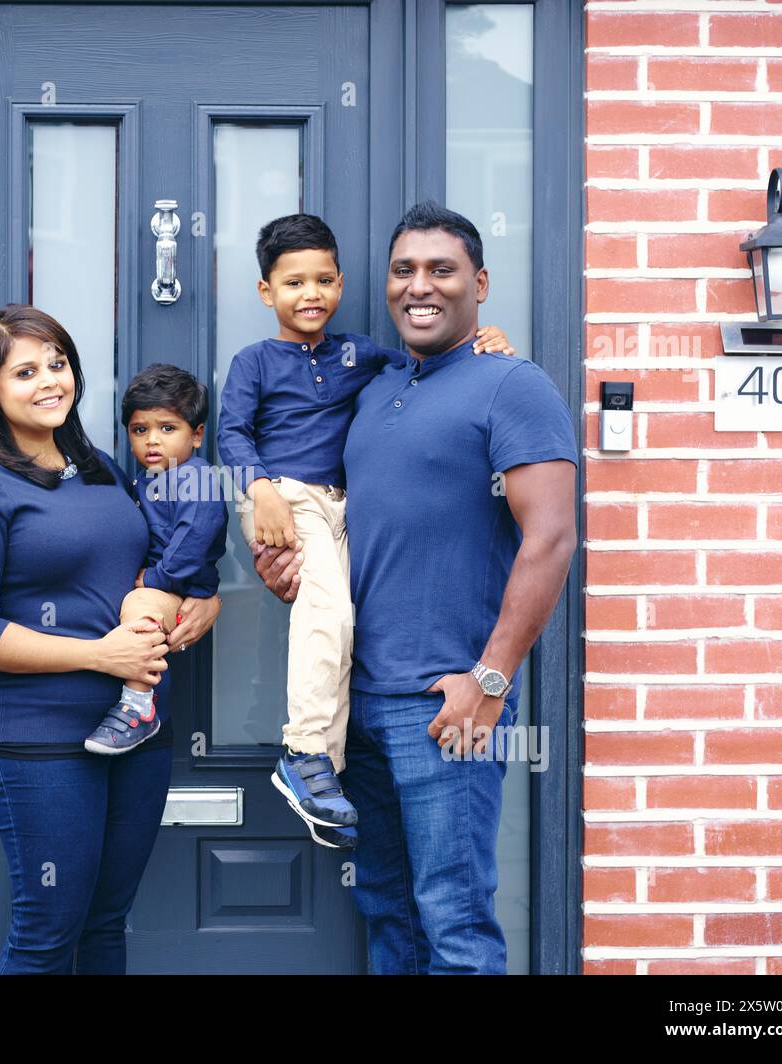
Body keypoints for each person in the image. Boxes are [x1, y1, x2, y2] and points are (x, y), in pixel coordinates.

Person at [252, 201, 578, 974]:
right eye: (404, 270)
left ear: (480, 283)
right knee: (387, 913)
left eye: (442, 269)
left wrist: (489, 681)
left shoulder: (512, 386)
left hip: (448, 705)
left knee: (455, 924)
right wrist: (283, 571)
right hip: (356, 704)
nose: (418, 286)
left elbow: (552, 538)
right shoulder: (374, 389)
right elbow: (338, 531)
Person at [0, 304, 221, 974]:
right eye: (25, 372)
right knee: (47, 930)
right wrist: (98, 655)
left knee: (105, 924)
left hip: (137, 731)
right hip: (38, 737)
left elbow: (164, 557)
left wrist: (204, 602)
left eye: (57, 363)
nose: (49, 381)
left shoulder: (102, 472)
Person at [216, 213, 515, 850]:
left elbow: (426, 358)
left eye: (324, 280)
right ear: (267, 292)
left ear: (343, 283)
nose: (311, 294)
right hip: (283, 497)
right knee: (327, 613)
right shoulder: (254, 362)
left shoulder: (359, 354)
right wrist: (260, 489)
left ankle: (327, 768)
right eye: (293, 283)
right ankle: (304, 754)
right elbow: (232, 433)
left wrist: (486, 341)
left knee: (343, 617)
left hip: (338, 504)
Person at [84, 363, 228, 754]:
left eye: (168, 428)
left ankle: (138, 707)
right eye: (139, 430)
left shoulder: (196, 477)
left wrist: (155, 580)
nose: (152, 440)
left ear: (196, 435)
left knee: (140, 608)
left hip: (179, 588)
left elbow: (192, 541)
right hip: (166, 581)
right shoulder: (143, 481)